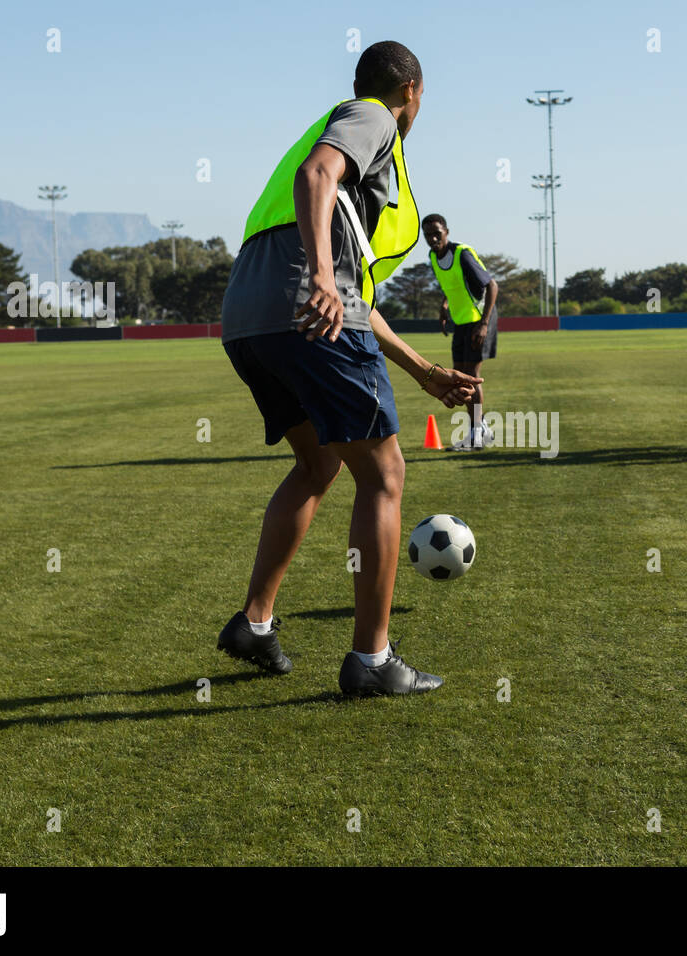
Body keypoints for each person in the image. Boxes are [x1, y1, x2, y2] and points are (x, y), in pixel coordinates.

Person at [216, 41, 480, 697]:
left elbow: (356, 295)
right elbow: (317, 175)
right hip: (303, 302)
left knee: (318, 463)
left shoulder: (349, 150)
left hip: (249, 314)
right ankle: (372, 661)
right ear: (412, 91)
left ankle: (255, 622)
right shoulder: (374, 118)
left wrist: (422, 369)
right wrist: (317, 277)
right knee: (385, 474)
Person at [422, 214, 499, 450]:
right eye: (428, 235)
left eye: (437, 233)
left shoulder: (461, 254)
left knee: (471, 376)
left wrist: (484, 324)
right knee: (460, 376)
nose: (433, 238)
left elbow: (492, 285)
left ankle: (477, 432)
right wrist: (444, 306)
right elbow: (452, 286)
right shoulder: (433, 257)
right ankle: (480, 429)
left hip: (479, 320)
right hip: (461, 322)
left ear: (447, 231)